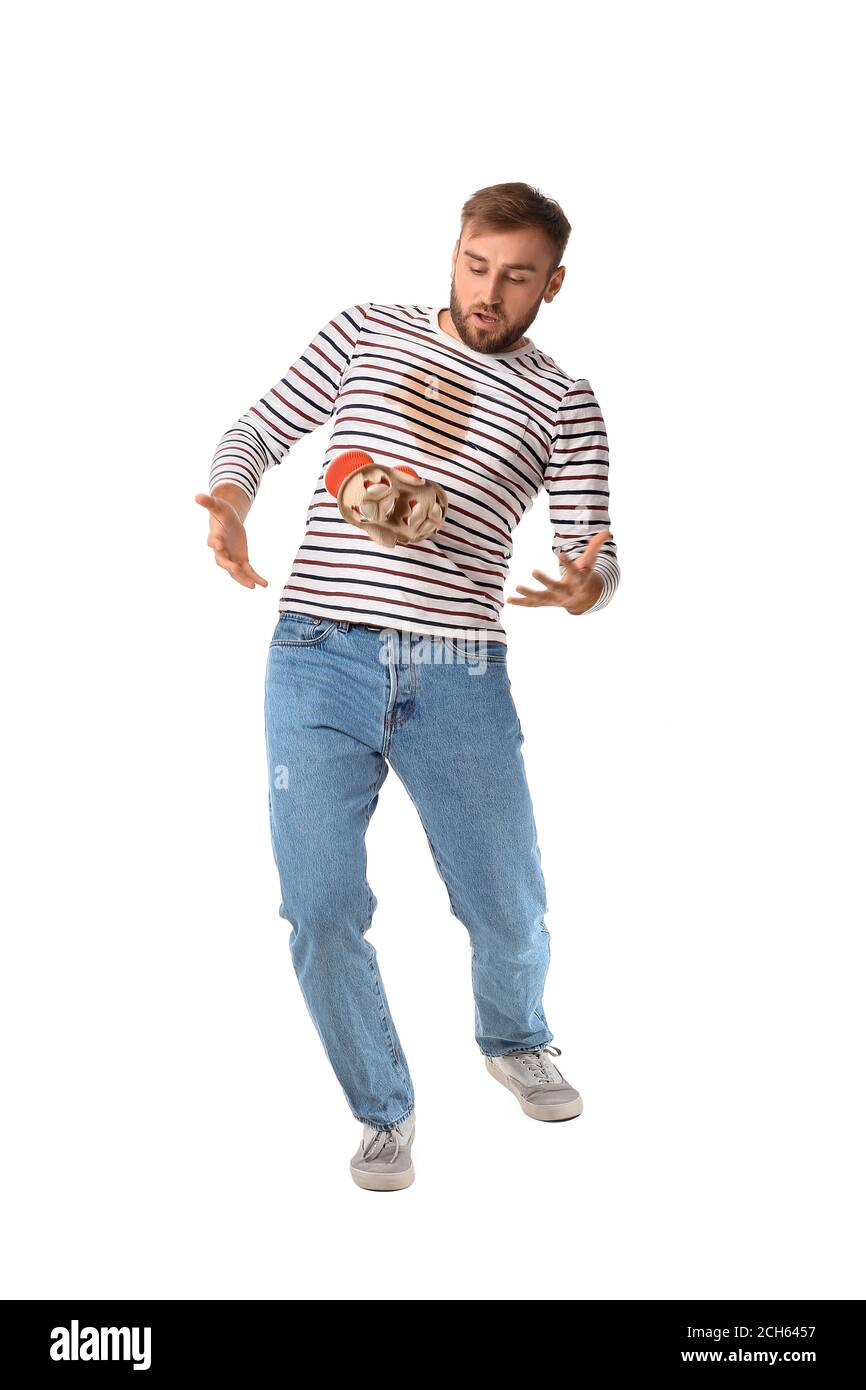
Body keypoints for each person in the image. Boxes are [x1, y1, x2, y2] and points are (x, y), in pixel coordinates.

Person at [196, 181, 621, 1192]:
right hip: (315, 656)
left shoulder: (563, 399)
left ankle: (514, 1036)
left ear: (550, 284)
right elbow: (254, 430)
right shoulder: (364, 330)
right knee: (319, 906)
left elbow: (597, 549)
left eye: (515, 277)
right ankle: (381, 1108)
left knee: (507, 904)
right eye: (476, 265)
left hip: (457, 671)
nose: (489, 291)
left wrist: (582, 586)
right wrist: (226, 503)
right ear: (454, 253)